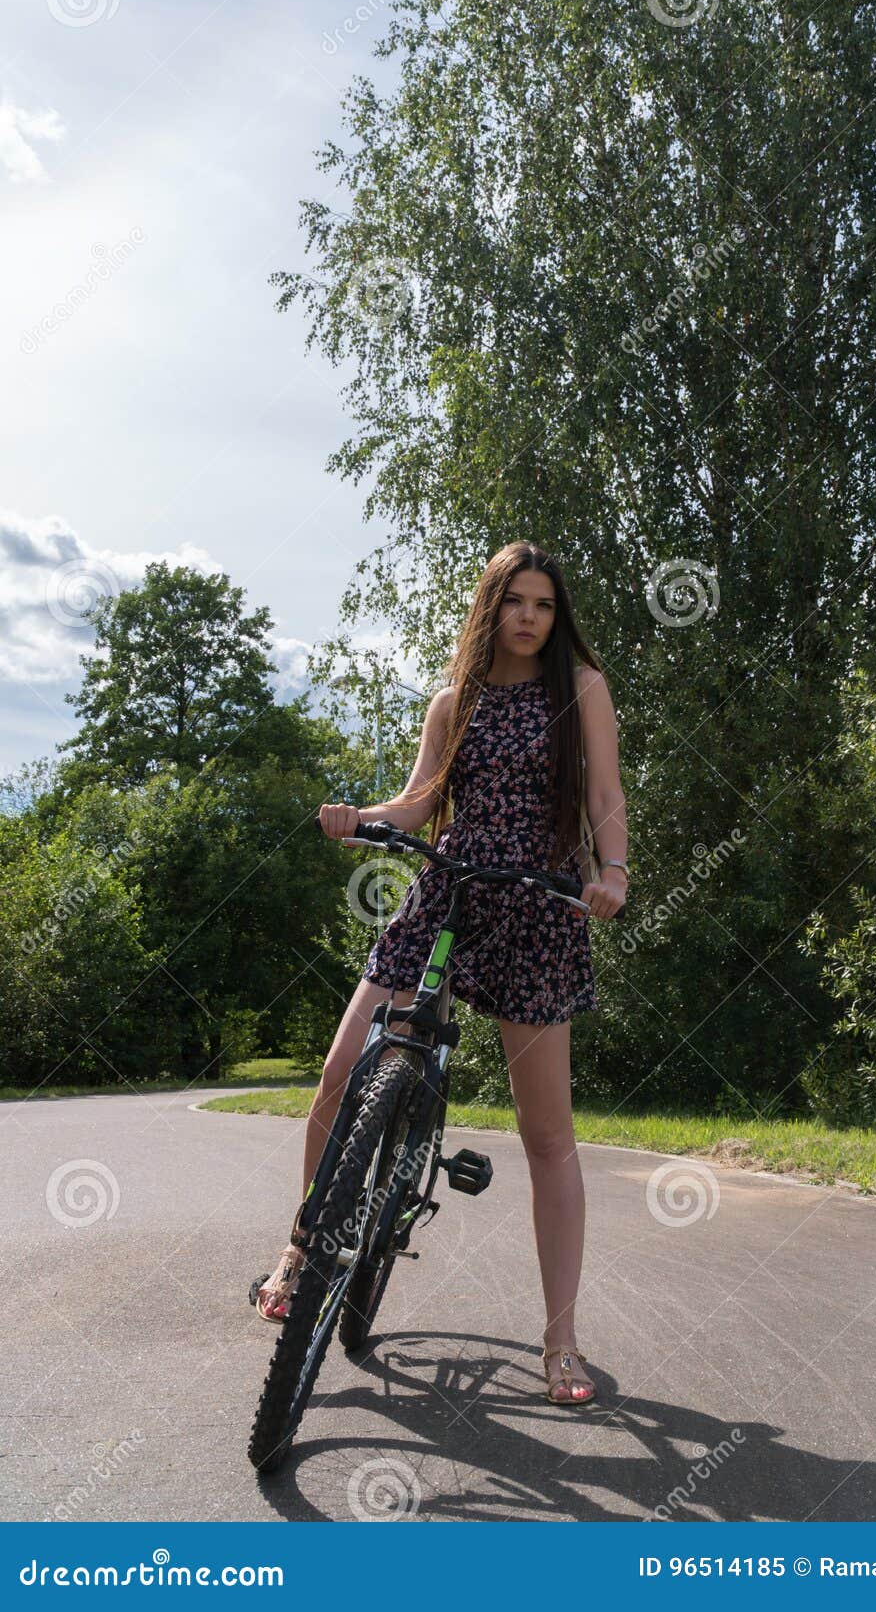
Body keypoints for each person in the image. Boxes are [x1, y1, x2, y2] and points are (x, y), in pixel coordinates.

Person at [252, 541, 628, 1405]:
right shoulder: (452, 701)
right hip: (446, 896)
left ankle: (560, 1341)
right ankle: (302, 1247)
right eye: (515, 602)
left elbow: (604, 793)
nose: (529, 617)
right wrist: (362, 816)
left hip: (538, 904)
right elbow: (423, 798)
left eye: (543, 603)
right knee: (340, 1075)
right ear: (490, 607)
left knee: (546, 1136)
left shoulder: (581, 690)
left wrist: (613, 873)